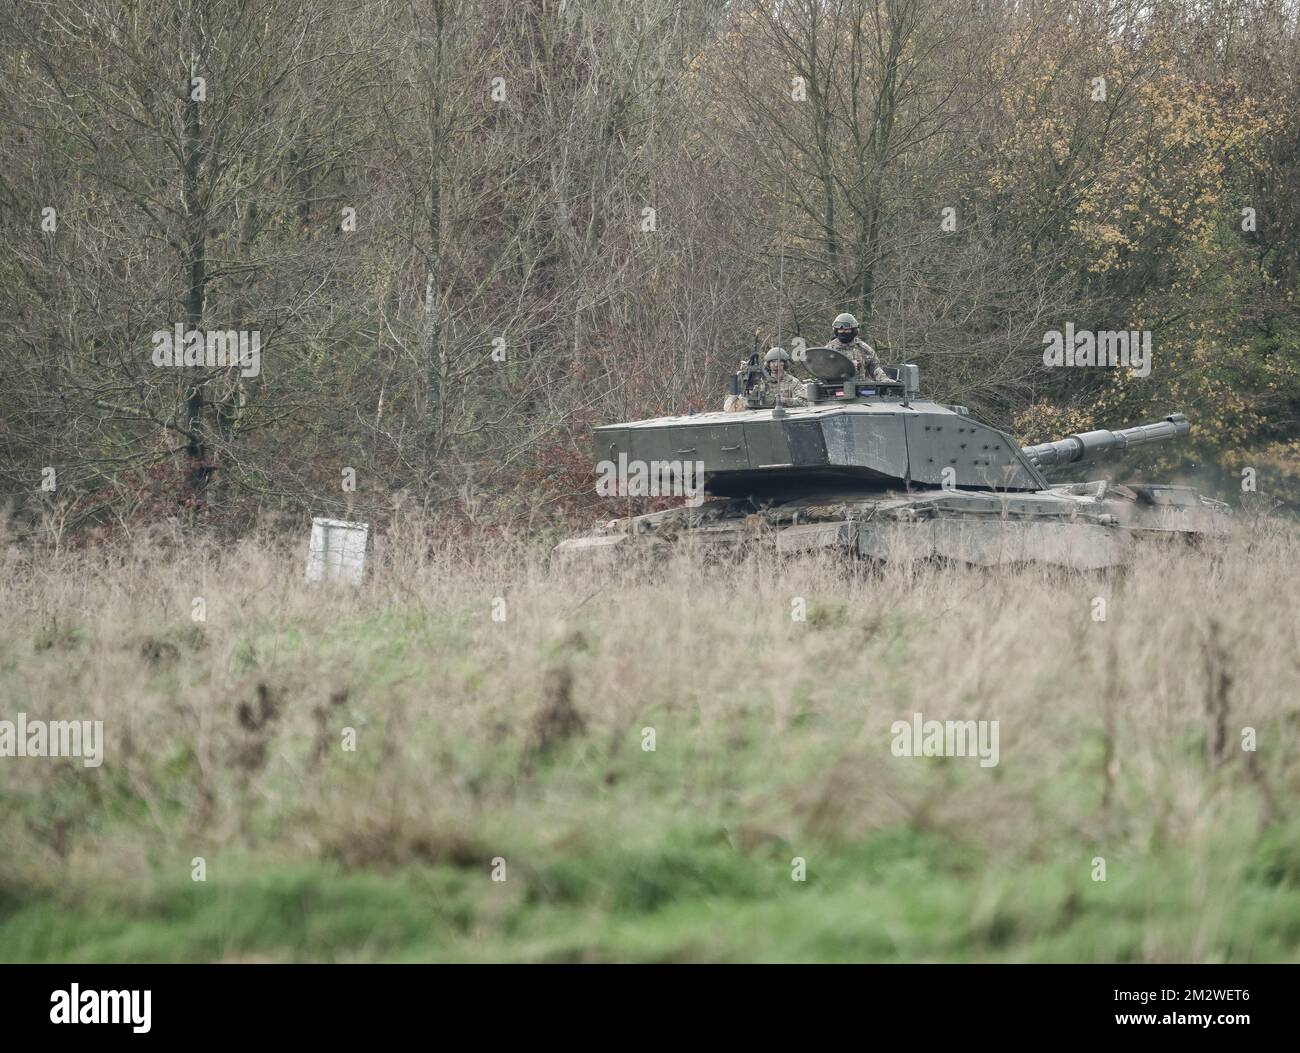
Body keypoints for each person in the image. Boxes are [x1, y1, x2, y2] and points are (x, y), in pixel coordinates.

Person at [829, 312, 890, 383]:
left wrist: (886, 380)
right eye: (840, 329)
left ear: (853, 331)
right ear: (836, 331)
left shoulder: (863, 349)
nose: (843, 332)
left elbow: (875, 368)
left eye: (846, 329)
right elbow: (822, 371)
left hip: (861, 389)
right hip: (835, 390)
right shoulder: (829, 350)